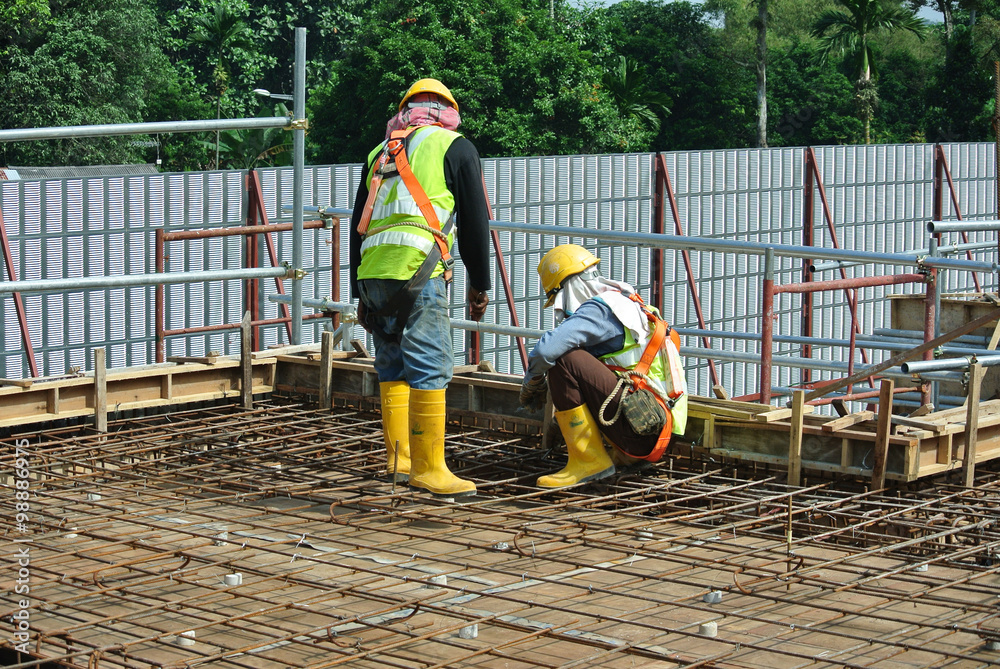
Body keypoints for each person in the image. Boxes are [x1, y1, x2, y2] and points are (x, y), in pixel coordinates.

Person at [349, 78, 492, 497]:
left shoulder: (380, 151)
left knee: (392, 364)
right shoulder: (456, 147)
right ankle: (429, 469)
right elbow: (474, 222)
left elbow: (361, 224)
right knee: (430, 365)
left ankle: (399, 460)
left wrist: (360, 293)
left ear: (405, 109)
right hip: (419, 271)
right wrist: (479, 285)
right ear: (447, 110)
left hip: (374, 270)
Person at [519, 244, 688, 487]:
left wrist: (532, 381)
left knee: (564, 360)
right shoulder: (627, 302)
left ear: (568, 287)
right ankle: (609, 455)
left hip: (644, 429)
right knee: (573, 360)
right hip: (656, 429)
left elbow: (547, 349)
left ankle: (589, 461)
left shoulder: (600, 310)